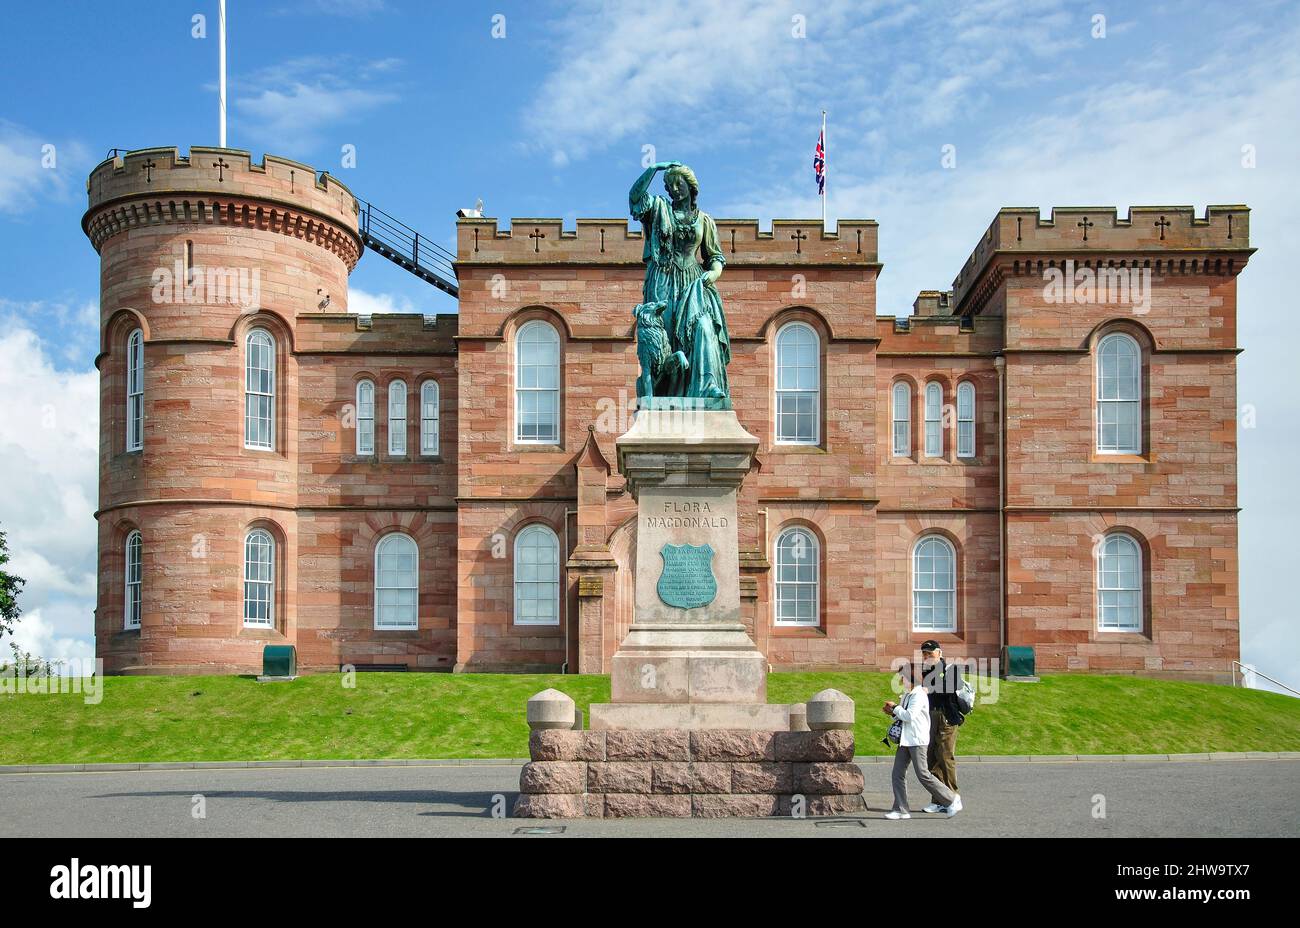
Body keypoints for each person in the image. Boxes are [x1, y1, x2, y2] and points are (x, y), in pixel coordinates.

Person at [628, 161, 731, 400]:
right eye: (669, 184)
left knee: (703, 328)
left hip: (694, 283)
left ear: (691, 186)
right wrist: (654, 169)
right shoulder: (657, 209)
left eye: (679, 183)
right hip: (662, 280)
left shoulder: (705, 220)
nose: (674, 188)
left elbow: (715, 257)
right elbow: (635, 197)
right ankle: (661, 394)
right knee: (662, 339)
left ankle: (706, 386)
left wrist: (714, 273)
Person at [883, 662, 961, 820]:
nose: (900, 681)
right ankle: (901, 809)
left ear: (911, 678)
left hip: (917, 740)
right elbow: (903, 715)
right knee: (897, 774)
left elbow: (909, 716)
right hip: (906, 740)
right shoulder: (908, 694)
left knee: (923, 775)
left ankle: (951, 799)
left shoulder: (918, 694)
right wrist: (892, 712)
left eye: (903, 678)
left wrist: (895, 707)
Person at [920, 639, 964, 808]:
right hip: (929, 717)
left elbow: (950, 687)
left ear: (939, 653)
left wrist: (928, 689)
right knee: (931, 757)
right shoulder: (924, 672)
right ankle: (938, 800)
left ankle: (953, 797)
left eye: (930, 653)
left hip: (947, 717)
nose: (927, 656)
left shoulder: (951, 669)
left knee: (945, 757)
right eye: (924, 653)